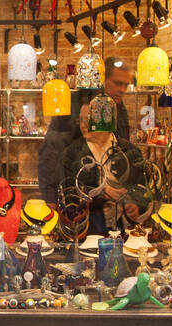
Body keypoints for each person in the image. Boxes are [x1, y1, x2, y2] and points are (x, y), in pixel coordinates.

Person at [38, 56, 133, 207]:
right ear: (103, 79)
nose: (122, 90)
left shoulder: (118, 109)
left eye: (126, 85)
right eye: (117, 83)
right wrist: (49, 197)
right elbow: (50, 151)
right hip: (73, 198)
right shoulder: (74, 105)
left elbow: (123, 151)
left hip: (110, 202)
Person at [53, 96, 145, 236]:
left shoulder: (130, 152)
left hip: (126, 234)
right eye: (81, 120)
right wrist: (100, 193)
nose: (84, 125)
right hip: (87, 232)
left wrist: (135, 206)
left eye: (89, 119)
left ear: (108, 119)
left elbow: (143, 190)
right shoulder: (71, 154)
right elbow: (66, 195)